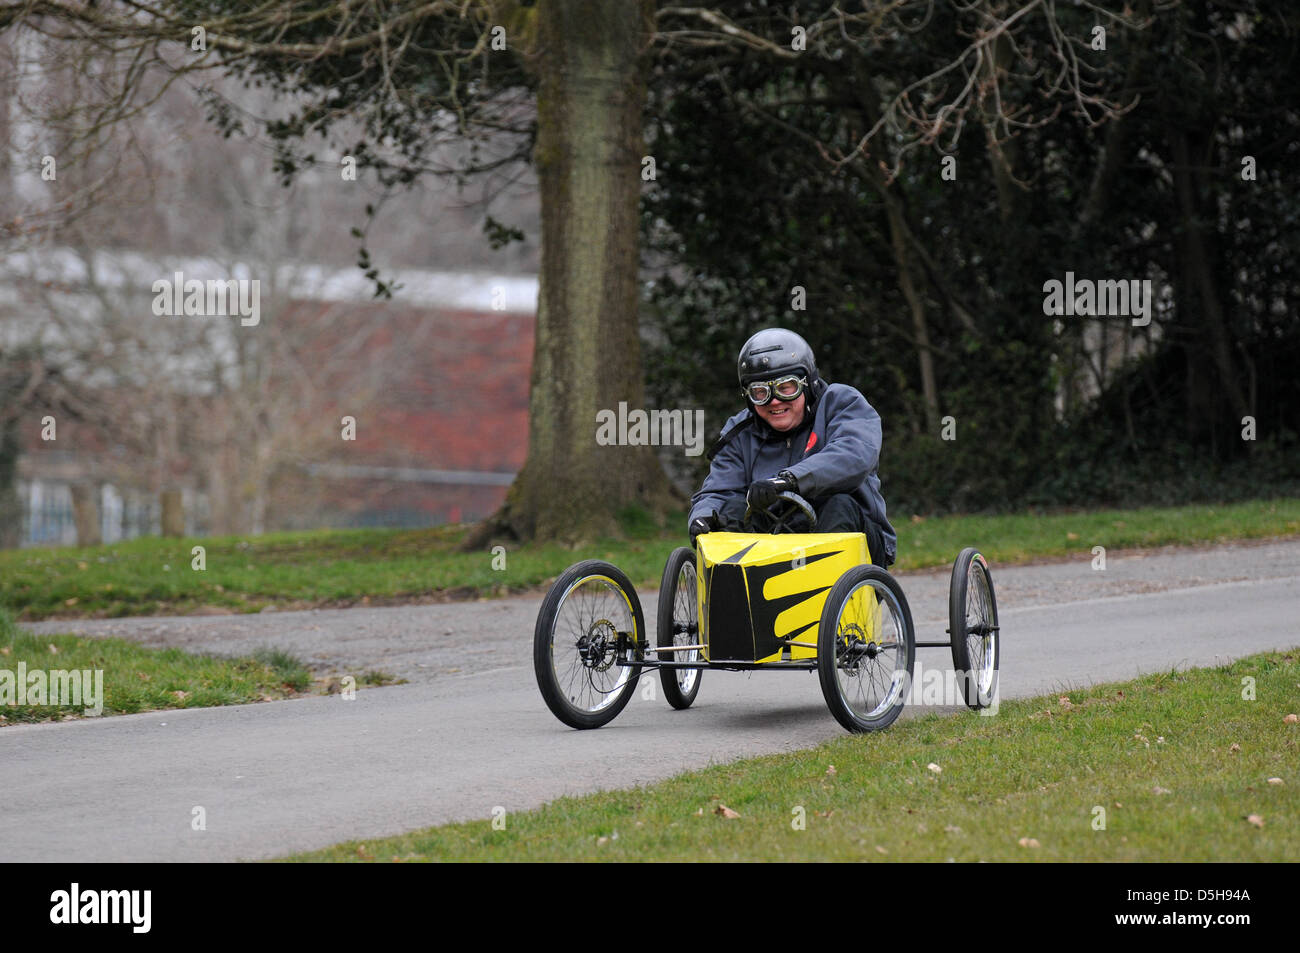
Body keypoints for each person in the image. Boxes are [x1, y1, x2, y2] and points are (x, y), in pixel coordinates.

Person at [687, 328, 897, 568]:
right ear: (748, 396)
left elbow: (855, 455)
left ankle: (825, 596)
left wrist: (789, 480)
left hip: (855, 541)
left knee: (839, 504)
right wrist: (704, 515)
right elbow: (718, 491)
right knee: (728, 511)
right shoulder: (739, 430)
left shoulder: (842, 402)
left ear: (808, 384)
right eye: (760, 392)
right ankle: (736, 600)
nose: (775, 400)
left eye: (787, 387)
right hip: (773, 545)